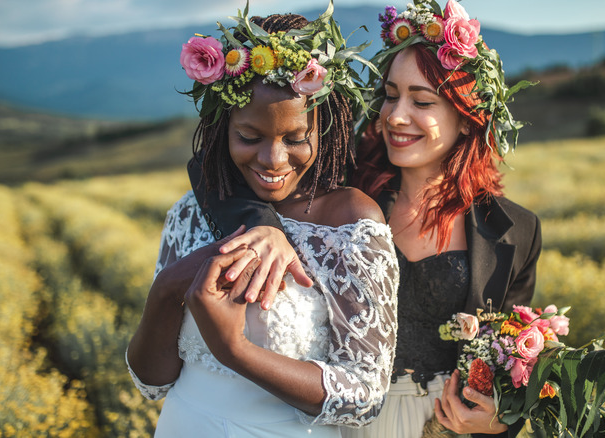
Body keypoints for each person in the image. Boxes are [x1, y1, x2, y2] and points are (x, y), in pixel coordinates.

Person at [190, 1, 541, 437]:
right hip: (333, 420)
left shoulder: (516, 230)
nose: (395, 116)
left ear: (468, 118)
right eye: (391, 95)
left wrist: (502, 419)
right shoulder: (340, 181)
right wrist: (265, 225)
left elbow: (509, 360)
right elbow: (211, 165)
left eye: (422, 100)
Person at [126, 8, 399, 437]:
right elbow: (150, 382)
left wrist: (234, 350)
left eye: (296, 138)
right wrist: (167, 290)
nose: (273, 160)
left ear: (324, 129)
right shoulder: (188, 212)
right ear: (222, 129)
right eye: (249, 137)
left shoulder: (351, 224)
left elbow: (365, 397)